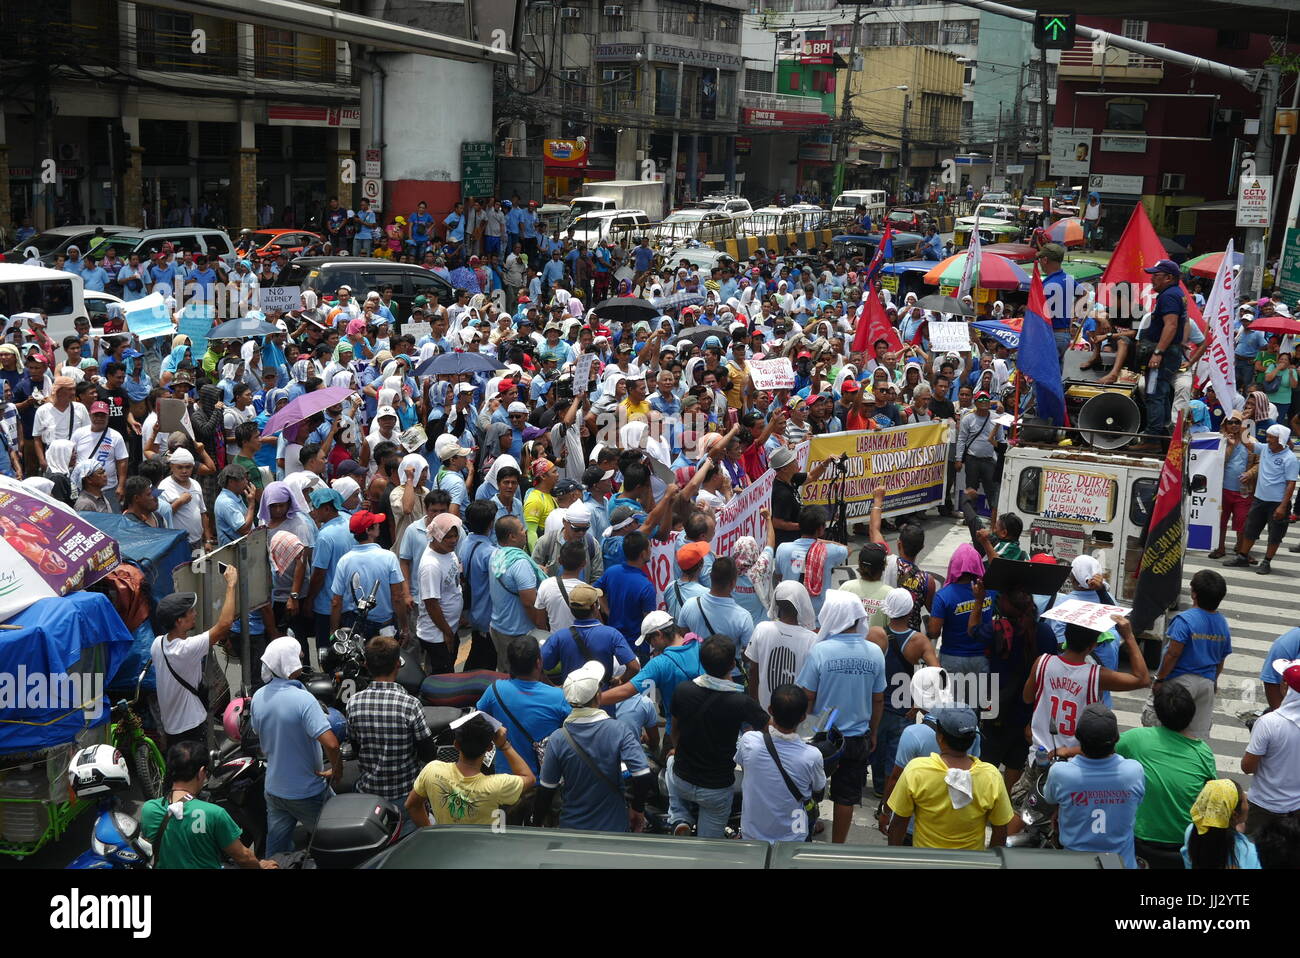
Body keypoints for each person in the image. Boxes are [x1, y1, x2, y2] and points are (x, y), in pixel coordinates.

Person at [797, 589, 887, 844]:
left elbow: (807, 696)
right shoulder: (874, 652)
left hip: (822, 736)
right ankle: (838, 846)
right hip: (858, 736)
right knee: (846, 797)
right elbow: (878, 699)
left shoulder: (821, 651)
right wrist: (874, 731)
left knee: (809, 791)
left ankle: (806, 833)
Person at [532, 660, 653, 832]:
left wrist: (536, 825)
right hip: (614, 826)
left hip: (572, 828)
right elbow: (642, 775)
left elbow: (546, 789)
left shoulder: (558, 738)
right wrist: (637, 809)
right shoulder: (618, 730)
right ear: (598, 697)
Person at [667, 634, 769, 838]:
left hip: (682, 780)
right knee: (709, 849)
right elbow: (771, 729)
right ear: (732, 664)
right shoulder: (741, 702)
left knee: (671, 760)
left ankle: (680, 817)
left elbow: (674, 731)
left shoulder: (683, 690)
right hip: (716, 789)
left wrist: (678, 748)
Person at [252, 637, 344, 856]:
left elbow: (260, 733)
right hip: (306, 791)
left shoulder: (258, 697)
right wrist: (337, 769)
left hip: (274, 789)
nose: (302, 658)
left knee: (276, 849)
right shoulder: (303, 700)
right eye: (299, 655)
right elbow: (331, 743)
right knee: (337, 841)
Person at [1115, 682, 1217, 869]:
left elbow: (1102, 752)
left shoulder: (1136, 738)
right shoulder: (1204, 753)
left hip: (1142, 841)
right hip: (1185, 842)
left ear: (1159, 713)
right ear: (1191, 713)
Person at [886, 706, 1014, 850]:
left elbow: (897, 825)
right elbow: (1000, 831)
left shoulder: (917, 770)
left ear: (939, 736)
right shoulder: (992, 777)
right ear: (973, 740)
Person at [138, 741, 276, 869]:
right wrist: (261, 866)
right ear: (201, 772)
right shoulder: (214, 813)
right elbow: (243, 857)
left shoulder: (149, 809)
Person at [1042, 703, 1146, 868]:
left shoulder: (1061, 772)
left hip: (1074, 863)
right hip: (1121, 863)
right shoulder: (1133, 771)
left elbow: (1049, 798)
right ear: (1116, 739)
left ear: (1079, 738)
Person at [150, 566, 239, 745]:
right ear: (179, 621)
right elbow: (225, 624)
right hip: (192, 727)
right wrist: (231, 585)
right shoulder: (186, 649)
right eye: (191, 612)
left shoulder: (157, 643)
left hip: (171, 728)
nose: (195, 614)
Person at [345, 635, 434, 810]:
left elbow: (356, 748)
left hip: (368, 795)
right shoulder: (410, 704)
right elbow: (429, 754)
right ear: (397, 665)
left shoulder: (353, 703)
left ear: (366, 665)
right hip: (405, 796)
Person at [735, 683, 827, 844]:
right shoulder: (812, 756)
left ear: (770, 710)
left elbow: (744, 765)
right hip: (793, 837)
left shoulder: (749, 741)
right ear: (803, 717)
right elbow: (818, 789)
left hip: (753, 835)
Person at [406, 714, 535, 826]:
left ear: (456, 744)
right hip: (479, 850)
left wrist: (430, 830)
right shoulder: (497, 785)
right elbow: (529, 778)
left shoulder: (432, 770)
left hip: (443, 845)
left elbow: (412, 805)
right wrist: (505, 745)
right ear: (490, 748)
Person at [1147, 570, 1230, 740]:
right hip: (1206, 684)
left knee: (1163, 731)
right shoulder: (1222, 623)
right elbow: (1221, 660)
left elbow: (1173, 654)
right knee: (1197, 736)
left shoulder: (1184, 620)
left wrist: (1160, 679)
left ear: (1194, 594)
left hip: (1180, 683)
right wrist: (1213, 680)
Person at [476, 635, 571, 778]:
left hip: (506, 780)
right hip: (545, 780)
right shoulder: (558, 697)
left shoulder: (494, 690)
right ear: (539, 662)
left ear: (510, 663)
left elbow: (478, 719)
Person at [1225, 424, 1298, 574]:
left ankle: (1267, 561)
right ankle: (1243, 557)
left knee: (1275, 534)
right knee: (1250, 529)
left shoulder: (1289, 458)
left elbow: (1291, 483)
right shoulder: (1265, 449)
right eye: (1268, 436)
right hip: (1259, 499)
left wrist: (1283, 506)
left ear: (1281, 440)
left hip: (1277, 503)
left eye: (1271, 437)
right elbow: (1248, 444)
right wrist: (1244, 427)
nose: (1268, 439)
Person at [1240, 659, 1300, 838]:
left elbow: (1247, 767)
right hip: (1296, 808)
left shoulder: (1268, 723)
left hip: (1263, 806)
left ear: (1285, 686)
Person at [541, 581, 639, 686]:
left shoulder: (559, 637)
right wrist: (619, 680)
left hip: (570, 698)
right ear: (595, 607)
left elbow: (538, 666)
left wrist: (554, 688)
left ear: (571, 608)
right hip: (603, 698)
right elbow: (634, 667)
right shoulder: (612, 634)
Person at [330, 510, 409, 639]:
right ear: (368, 530)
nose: (379, 525)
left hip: (354, 624)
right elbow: (397, 596)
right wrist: (405, 627)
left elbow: (336, 601)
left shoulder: (344, 561)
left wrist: (333, 631)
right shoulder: (389, 557)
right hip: (384, 626)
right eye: (376, 524)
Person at [745, 580, 818, 711]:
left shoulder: (762, 629)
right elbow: (811, 686)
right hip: (794, 715)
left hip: (764, 711)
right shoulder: (811, 639)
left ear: (776, 602)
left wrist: (754, 705)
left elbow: (753, 670)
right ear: (802, 603)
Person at [487, 515, 549, 671]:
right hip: (518, 633)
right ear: (512, 537)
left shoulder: (497, 554)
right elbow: (529, 603)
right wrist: (542, 628)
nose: (525, 531)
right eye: (522, 529)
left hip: (498, 626)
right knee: (523, 676)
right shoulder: (519, 563)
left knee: (505, 670)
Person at [1137, 259, 1188, 442]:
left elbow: (1171, 325)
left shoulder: (1169, 295)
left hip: (1164, 354)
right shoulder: (1174, 293)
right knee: (1162, 393)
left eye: (1156, 276)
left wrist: (1158, 352)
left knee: (1154, 394)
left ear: (1168, 277)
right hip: (1170, 351)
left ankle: (1152, 438)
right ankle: (1163, 434)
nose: (1152, 279)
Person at [773, 505, 848, 618]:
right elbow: (847, 549)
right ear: (820, 529)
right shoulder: (829, 551)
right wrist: (820, 541)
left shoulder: (783, 549)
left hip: (789, 613)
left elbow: (778, 576)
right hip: (817, 615)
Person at [415, 512, 465, 674]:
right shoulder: (431, 566)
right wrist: (447, 633)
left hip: (450, 628)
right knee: (442, 678)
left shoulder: (449, 552)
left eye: (455, 535)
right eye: (447, 537)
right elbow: (431, 604)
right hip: (437, 635)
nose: (453, 540)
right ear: (436, 536)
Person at [1180, 779, 1261, 869]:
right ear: (1235, 815)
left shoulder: (1192, 831)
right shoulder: (1248, 854)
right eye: (1244, 799)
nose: (1246, 797)